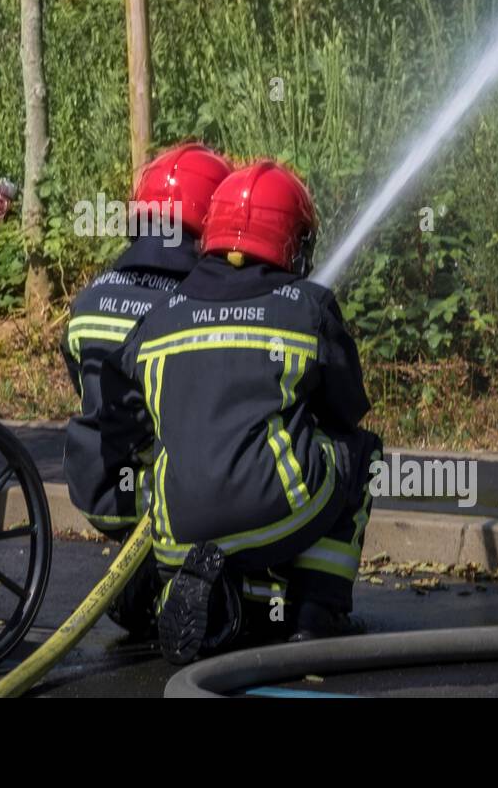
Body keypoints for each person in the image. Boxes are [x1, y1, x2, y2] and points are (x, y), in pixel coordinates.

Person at [101, 160, 382, 664]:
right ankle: (316, 610)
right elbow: (347, 410)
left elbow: (123, 408)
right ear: (291, 241)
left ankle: (196, 595)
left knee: (190, 466)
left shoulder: (160, 315)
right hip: (277, 518)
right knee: (358, 453)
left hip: (173, 530)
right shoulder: (308, 307)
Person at [61, 142, 231, 634]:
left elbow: (85, 382)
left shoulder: (89, 297)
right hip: (161, 499)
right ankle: (181, 584)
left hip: (95, 488)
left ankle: (142, 581)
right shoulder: (191, 309)